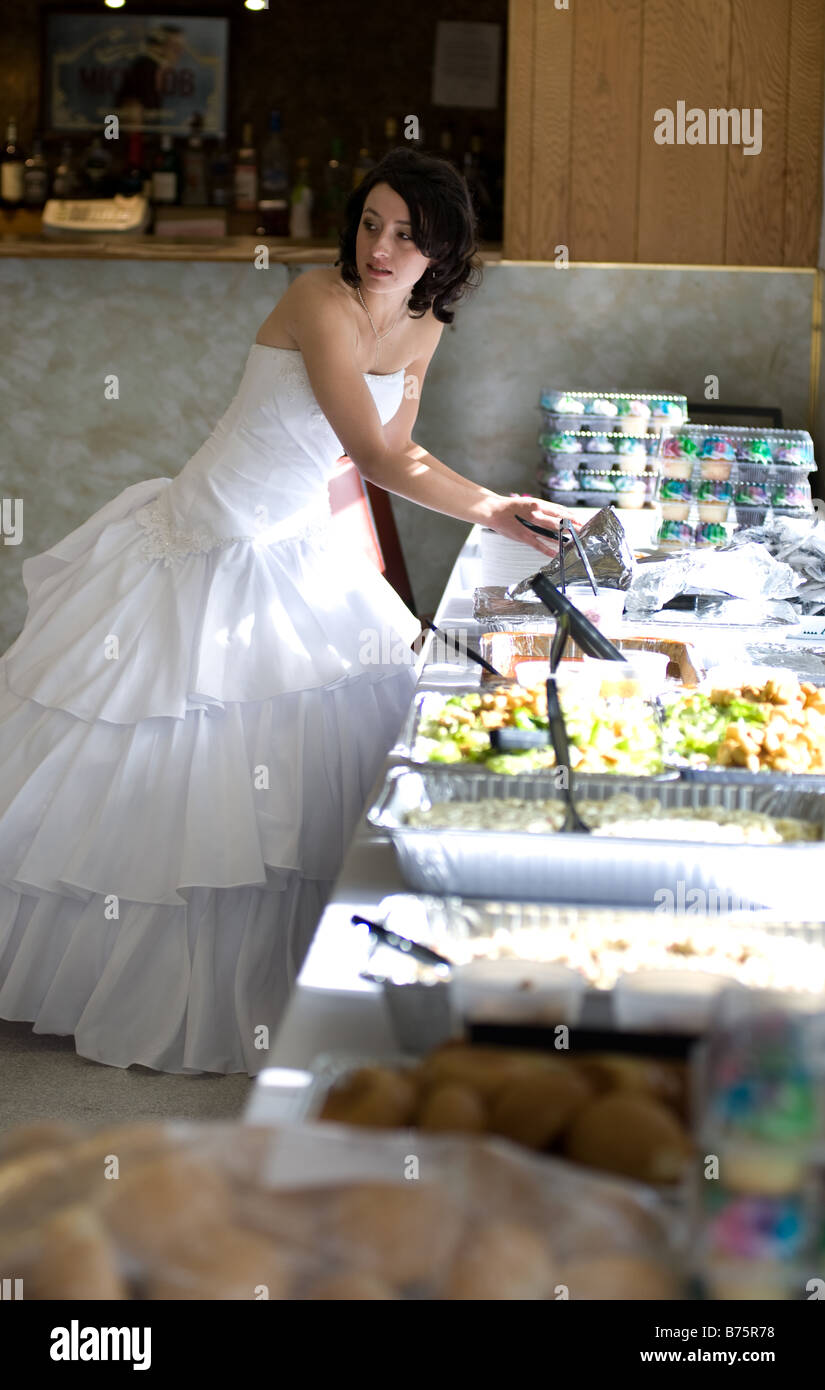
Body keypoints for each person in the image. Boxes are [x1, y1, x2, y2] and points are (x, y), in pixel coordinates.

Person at [0, 147, 574, 1076]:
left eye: (406, 235)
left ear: (442, 253)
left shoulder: (422, 327)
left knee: (328, 737)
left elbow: (401, 447)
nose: (381, 248)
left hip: (297, 547)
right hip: (205, 544)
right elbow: (372, 456)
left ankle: (319, 984)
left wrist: (497, 507)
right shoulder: (318, 299)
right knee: (159, 741)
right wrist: (491, 506)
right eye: (370, 224)